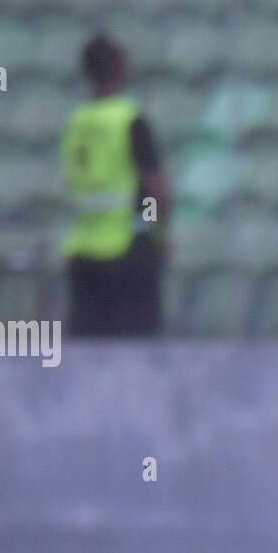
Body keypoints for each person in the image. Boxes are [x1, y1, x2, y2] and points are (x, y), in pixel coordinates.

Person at [61, 35, 169, 336]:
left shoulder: (77, 121)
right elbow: (155, 186)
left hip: (83, 248)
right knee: (134, 349)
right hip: (126, 247)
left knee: (89, 352)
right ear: (118, 68)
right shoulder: (128, 119)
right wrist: (160, 230)